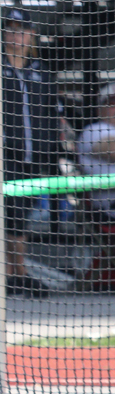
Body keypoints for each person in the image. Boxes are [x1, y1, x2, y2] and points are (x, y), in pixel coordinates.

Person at [0, 8, 59, 297]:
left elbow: (55, 116)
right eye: (10, 29)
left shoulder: (42, 73)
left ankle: (17, 277)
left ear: (32, 33)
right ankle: (14, 276)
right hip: (2, 158)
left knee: (19, 218)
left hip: (34, 159)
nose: (16, 35)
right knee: (4, 217)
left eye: (21, 29)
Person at [77, 83, 115, 290]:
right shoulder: (95, 129)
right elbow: (110, 150)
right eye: (112, 103)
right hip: (104, 210)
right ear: (101, 107)